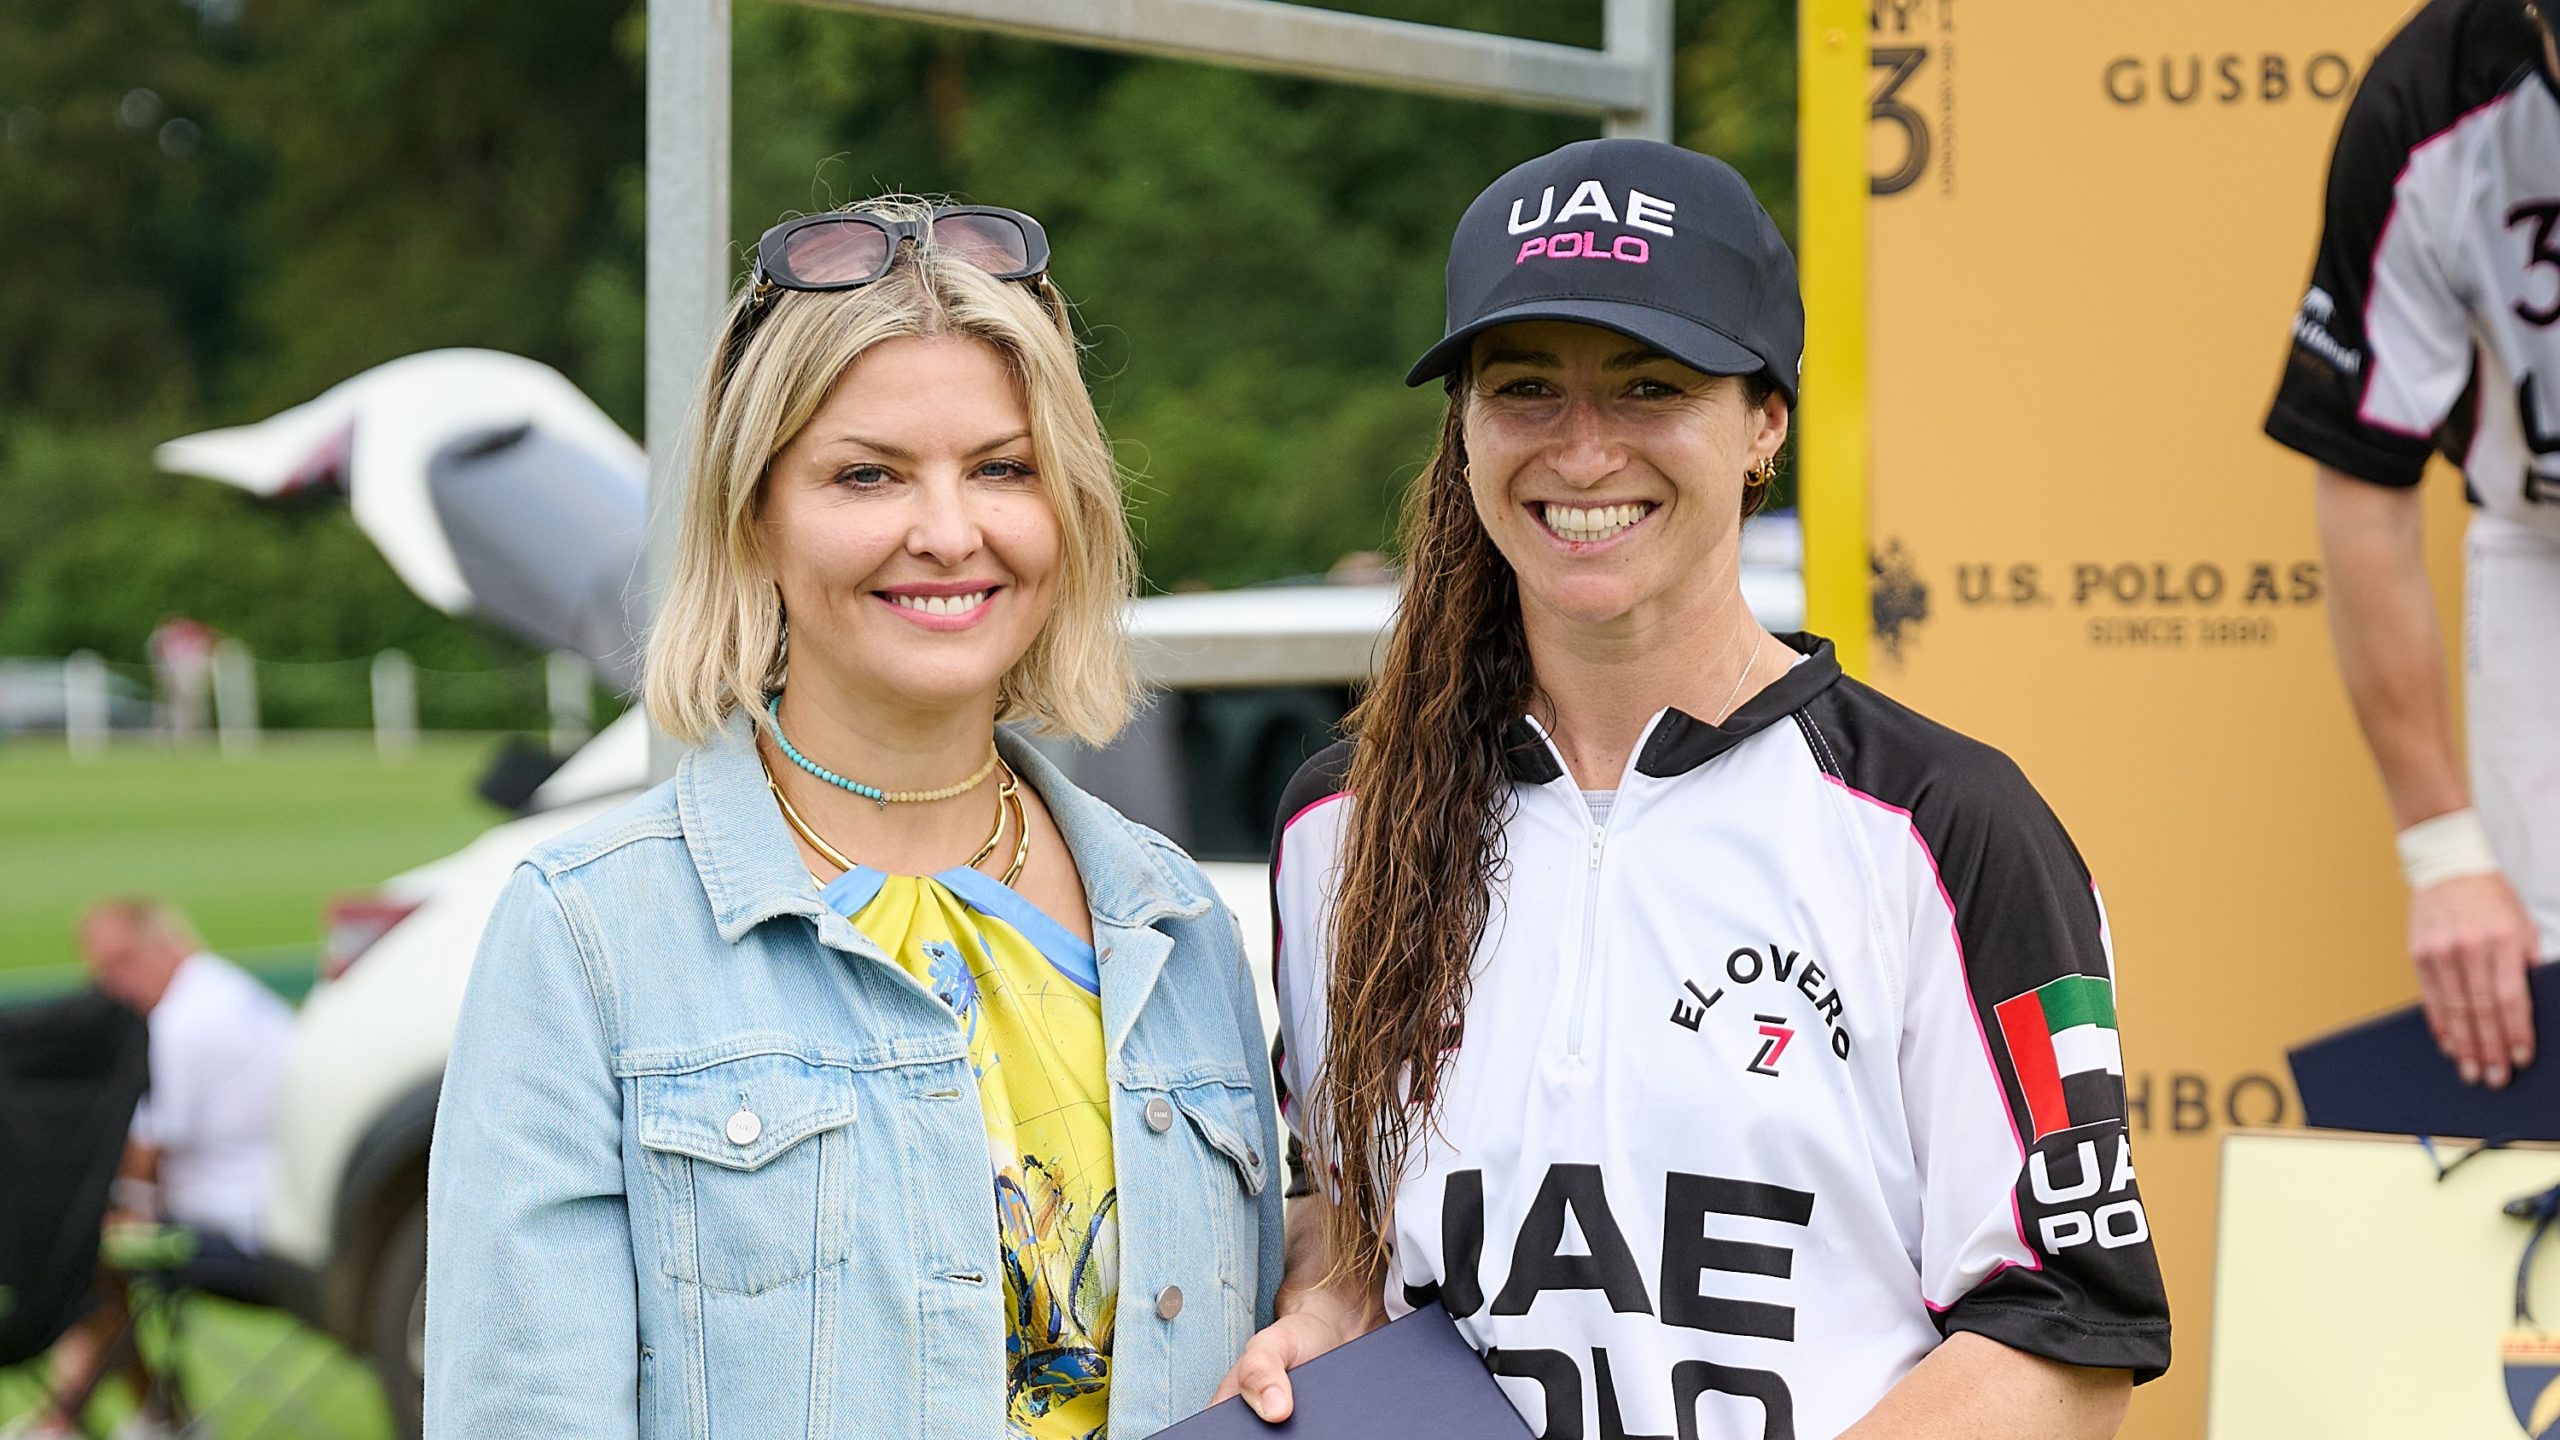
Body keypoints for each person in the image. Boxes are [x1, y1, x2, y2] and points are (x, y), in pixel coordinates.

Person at [1217, 140, 2171, 1439]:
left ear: (1766, 420)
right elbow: (1347, 1223)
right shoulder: (1343, 825)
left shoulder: (1947, 825)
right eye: (1526, 388)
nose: (1583, 451)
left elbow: (2065, 1341)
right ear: (1466, 427)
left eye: (1650, 385)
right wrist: (1323, 1311)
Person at [423, 197, 1282, 1440]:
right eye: (866, 474)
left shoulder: (1175, 921)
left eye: (1002, 468)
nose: (947, 532)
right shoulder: (587, 936)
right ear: (755, 515)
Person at [2265, 0, 2560, 1092]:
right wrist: (2443, 851)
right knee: (2545, 968)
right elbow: (2366, 488)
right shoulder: (2428, 98)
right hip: (2542, 545)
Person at [7, 900, 293, 1440]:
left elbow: (145, 1158)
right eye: (99, 970)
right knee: (100, 1256)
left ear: (168, 945)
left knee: (80, 1256)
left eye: (123, 961)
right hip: (275, 1212)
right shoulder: (224, 993)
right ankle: (152, 1417)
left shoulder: (184, 1023)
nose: (111, 984)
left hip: (243, 1230)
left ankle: (75, 1420)